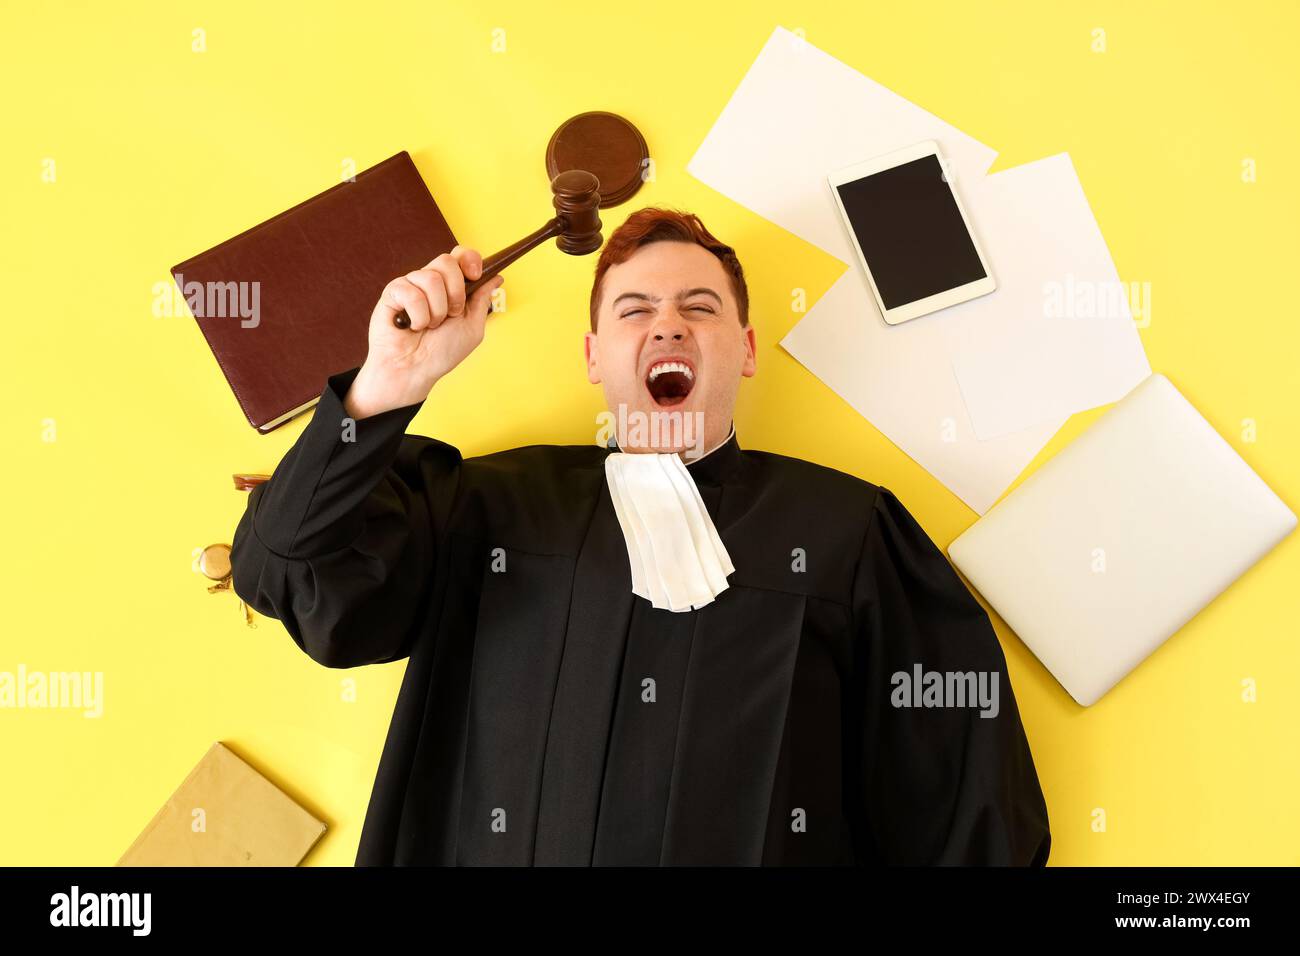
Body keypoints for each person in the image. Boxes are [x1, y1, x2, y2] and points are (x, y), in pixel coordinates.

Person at [230, 206, 1051, 866]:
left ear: (749, 349)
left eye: (701, 308)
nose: (668, 327)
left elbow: (970, 814)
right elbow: (282, 567)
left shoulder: (850, 533)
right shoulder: (483, 507)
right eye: (635, 311)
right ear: (595, 357)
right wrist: (389, 384)